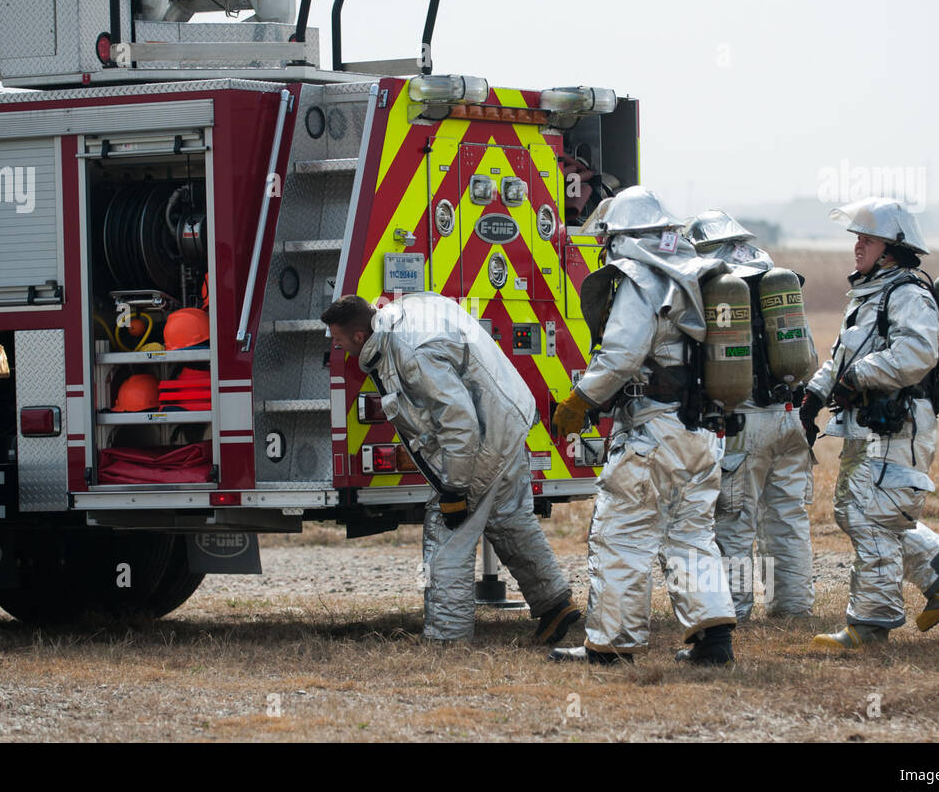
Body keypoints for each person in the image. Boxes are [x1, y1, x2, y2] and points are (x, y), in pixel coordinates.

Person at [320, 292, 580, 645]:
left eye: (337, 339)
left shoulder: (411, 354)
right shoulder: (402, 314)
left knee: (446, 533)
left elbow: (460, 423)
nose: (336, 346)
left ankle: (446, 638)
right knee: (509, 519)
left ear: (359, 336)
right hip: (507, 419)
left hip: (484, 438)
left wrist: (454, 489)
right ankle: (555, 605)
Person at [547, 187, 738, 666]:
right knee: (690, 534)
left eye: (606, 240)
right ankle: (714, 643)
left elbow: (621, 354)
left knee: (621, 535)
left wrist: (580, 400)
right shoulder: (695, 275)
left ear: (621, 237)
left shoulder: (641, 279)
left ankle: (610, 647)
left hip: (653, 432)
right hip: (699, 433)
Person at [801, 198, 939, 650]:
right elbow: (843, 355)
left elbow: (916, 354)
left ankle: (870, 625)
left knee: (871, 518)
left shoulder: (908, 294)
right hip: (868, 423)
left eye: (868, 240)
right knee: (858, 510)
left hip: (899, 425)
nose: (857, 247)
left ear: (893, 248)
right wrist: (815, 394)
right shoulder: (868, 293)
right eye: (857, 238)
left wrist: (858, 378)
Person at [684, 210, 817, 620]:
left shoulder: (717, 287)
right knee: (787, 519)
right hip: (789, 417)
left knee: (734, 525)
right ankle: (792, 608)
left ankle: (735, 611)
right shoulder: (776, 277)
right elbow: (805, 353)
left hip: (742, 424)